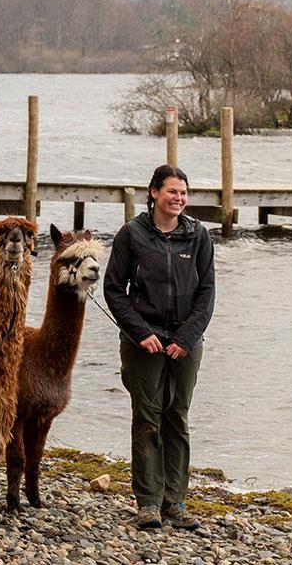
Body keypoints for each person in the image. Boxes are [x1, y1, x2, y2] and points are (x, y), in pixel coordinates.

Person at [104, 164, 215, 530]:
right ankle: (148, 503)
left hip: (186, 340)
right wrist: (139, 332)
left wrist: (185, 338)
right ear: (153, 193)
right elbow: (114, 290)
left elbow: (207, 293)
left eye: (183, 193)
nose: (178, 199)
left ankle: (176, 502)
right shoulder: (132, 235)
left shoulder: (198, 236)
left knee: (177, 418)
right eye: (172, 192)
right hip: (144, 341)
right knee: (147, 418)